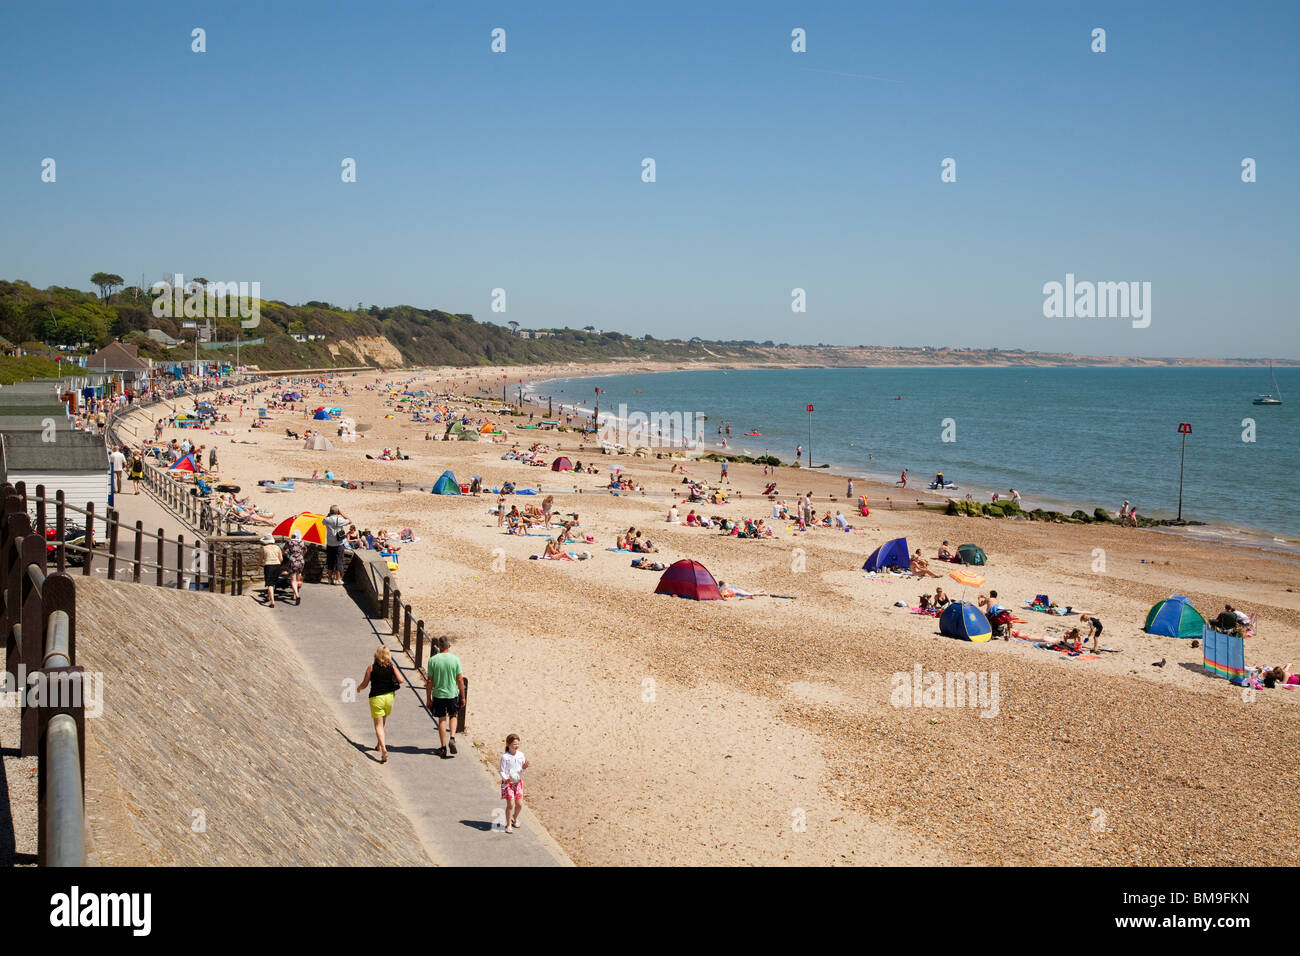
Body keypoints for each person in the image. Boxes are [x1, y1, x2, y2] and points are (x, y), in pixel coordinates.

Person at [357, 645, 404, 763]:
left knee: (377, 725)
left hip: (376, 698)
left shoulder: (371, 668)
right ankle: (379, 744)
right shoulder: (392, 667)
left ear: (376, 655)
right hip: (389, 698)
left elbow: (365, 683)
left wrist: (359, 688)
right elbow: (401, 680)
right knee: (383, 722)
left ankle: (383, 748)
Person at [426, 635, 466, 759]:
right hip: (452, 693)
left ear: (438, 646)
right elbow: (459, 679)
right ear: (449, 645)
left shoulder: (433, 660)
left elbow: (429, 681)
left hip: (438, 694)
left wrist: (428, 698)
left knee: (441, 719)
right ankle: (452, 738)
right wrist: (462, 696)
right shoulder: (455, 660)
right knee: (453, 715)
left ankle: (443, 747)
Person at [500, 734, 529, 834]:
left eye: (518, 744)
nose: (516, 746)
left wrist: (525, 767)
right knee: (510, 805)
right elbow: (502, 771)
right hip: (508, 784)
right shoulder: (505, 757)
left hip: (518, 782)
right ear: (508, 744)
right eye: (514, 744)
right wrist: (506, 779)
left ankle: (514, 818)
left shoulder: (521, 755)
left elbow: (523, 769)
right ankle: (508, 825)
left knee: (519, 804)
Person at [322, 505, 350, 584]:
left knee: (330, 561)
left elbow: (323, 521)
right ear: (337, 512)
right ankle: (338, 579)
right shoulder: (340, 519)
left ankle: (329, 579)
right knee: (339, 561)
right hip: (338, 543)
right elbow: (349, 521)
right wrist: (342, 514)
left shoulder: (327, 520)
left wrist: (329, 515)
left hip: (330, 543)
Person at [281, 529, 306, 604]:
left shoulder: (289, 542)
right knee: (299, 576)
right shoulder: (302, 542)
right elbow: (305, 550)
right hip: (301, 560)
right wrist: (301, 555)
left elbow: (283, 550)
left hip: (293, 561)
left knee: (293, 579)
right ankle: (295, 594)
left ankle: (297, 595)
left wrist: (287, 554)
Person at [259, 534, 282, 607]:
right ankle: (268, 596)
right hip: (277, 565)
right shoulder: (277, 547)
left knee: (269, 584)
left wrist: (257, 566)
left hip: (268, 566)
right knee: (273, 583)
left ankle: (272, 601)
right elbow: (281, 559)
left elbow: (261, 559)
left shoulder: (264, 548)